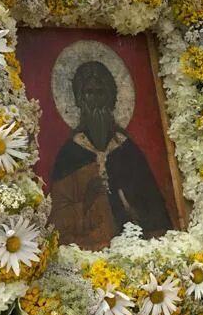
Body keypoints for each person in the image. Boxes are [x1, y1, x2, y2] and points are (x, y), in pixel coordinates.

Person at [51, 60, 172, 249]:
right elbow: (58, 217)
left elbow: (155, 208)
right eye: (88, 92)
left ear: (111, 97)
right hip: (90, 250)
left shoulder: (127, 149)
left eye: (100, 92)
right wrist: (86, 201)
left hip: (135, 247)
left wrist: (136, 212)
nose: (95, 100)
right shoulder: (70, 154)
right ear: (79, 99)